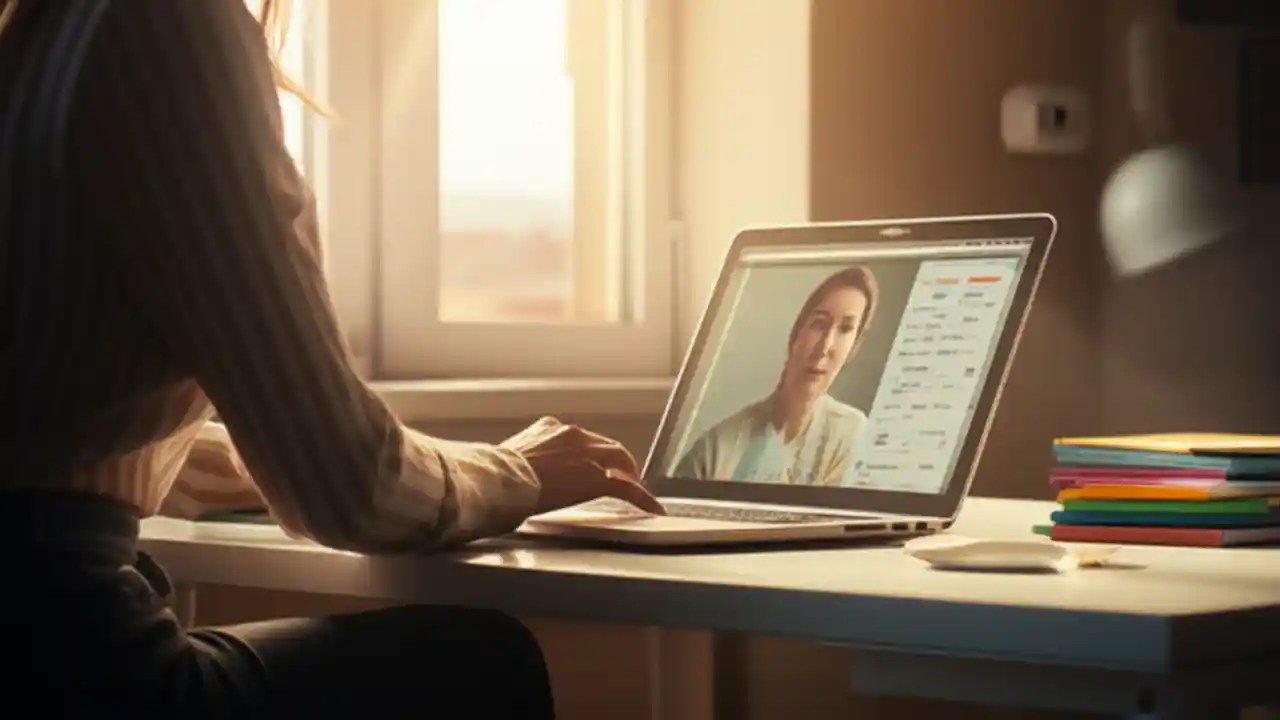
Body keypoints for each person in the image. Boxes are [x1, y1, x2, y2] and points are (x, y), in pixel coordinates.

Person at [0, 0, 662, 717]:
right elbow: (349, 490)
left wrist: (275, 451)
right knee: (477, 663)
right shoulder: (166, 24)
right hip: (66, 666)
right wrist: (518, 474)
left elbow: (75, 433)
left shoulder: (41, 33)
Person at [675, 266, 879, 486]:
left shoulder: (854, 435)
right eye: (819, 324)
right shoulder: (715, 448)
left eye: (846, 329)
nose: (825, 346)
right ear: (796, 334)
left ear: (854, 347)